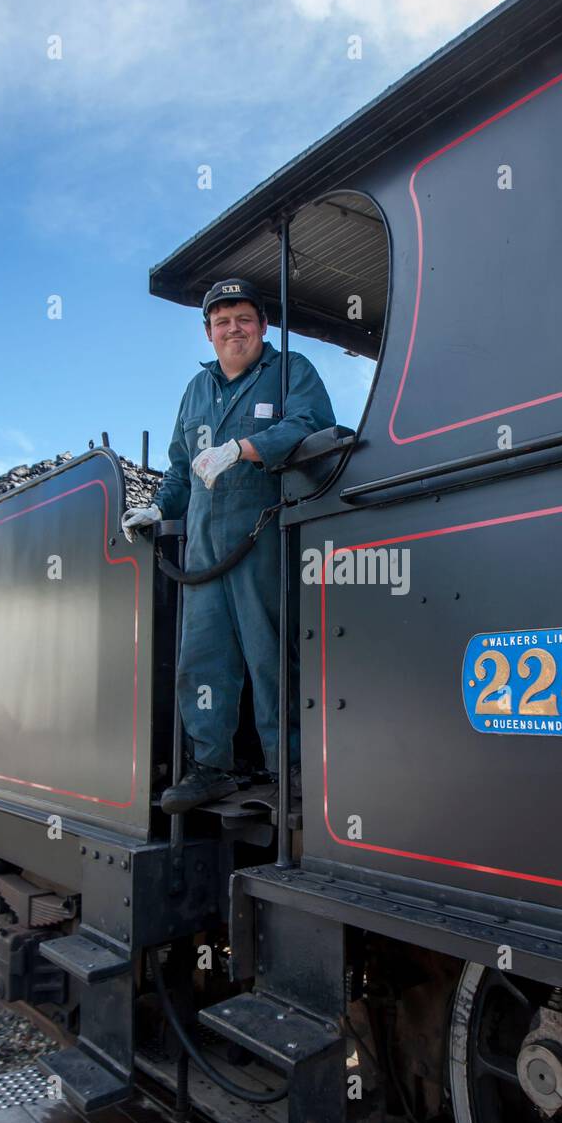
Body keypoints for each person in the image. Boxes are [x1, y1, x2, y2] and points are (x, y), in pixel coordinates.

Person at [122, 278, 335, 812]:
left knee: (271, 653)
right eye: (222, 322)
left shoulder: (290, 371)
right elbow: (178, 468)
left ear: (263, 326)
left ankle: (290, 768)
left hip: (264, 538)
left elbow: (312, 423)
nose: (233, 329)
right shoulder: (196, 391)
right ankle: (212, 767)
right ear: (209, 334)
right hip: (203, 553)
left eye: (243, 319)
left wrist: (244, 448)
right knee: (204, 658)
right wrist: (159, 507)